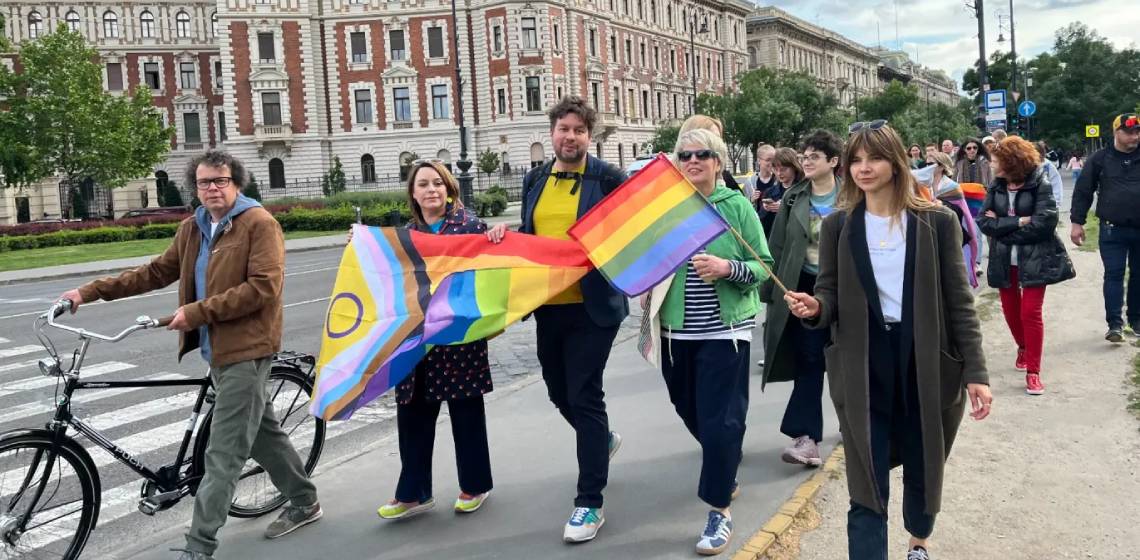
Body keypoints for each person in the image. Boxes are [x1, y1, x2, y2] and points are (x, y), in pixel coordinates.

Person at [60, 151, 321, 560]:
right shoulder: (193, 227)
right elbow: (154, 273)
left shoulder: (259, 224)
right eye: (204, 183)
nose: (212, 189)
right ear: (195, 187)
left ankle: (199, 546)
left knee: (223, 452)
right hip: (215, 349)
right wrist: (88, 292)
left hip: (248, 350)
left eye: (220, 181)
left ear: (237, 183)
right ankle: (305, 501)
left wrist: (195, 313)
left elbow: (262, 288)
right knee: (261, 435)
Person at [784, 121, 992, 560]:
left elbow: (959, 303)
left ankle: (919, 539)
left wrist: (976, 372)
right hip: (862, 360)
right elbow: (829, 293)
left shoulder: (935, 222)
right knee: (866, 468)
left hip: (926, 358)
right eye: (856, 159)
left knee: (923, 458)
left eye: (874, 158)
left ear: (895, 162)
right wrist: (816, 309)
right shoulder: (839, 225)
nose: (863, 168)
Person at [485, 96, 628, 543]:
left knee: (584, 395)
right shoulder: (536, 178)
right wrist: (506, 234)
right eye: (563, 128)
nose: (570, 137)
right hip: (548, 306)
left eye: (579, 130)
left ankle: (590, 502)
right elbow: (532, 235)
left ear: (590, 135)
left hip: (593, 307)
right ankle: (601, 441)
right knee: (557, 390)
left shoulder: (607, 177)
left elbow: (629, 232)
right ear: (553, 132)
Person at [648, 128, 772, 556]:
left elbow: (764, 266)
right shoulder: (667, 208)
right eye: (685, 154)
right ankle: (725, 462)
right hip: (675, 331)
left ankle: (719, 509)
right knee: (690, 410)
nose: (693, 160)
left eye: (703, 154)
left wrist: (727, 268)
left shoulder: (736, 206)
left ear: (718, 162)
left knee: (721, 422)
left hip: (726, 331)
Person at [374, 161, 495, 521]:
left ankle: (475, 485)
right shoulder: (406, 235)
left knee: (466, 413)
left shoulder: (470, 227)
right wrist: (363, 245)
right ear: (413, 193)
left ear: (449, 188)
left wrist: (497, 237)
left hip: (458, 336)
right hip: (415, 339)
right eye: (423, 184)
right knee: (412, 414)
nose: (432, 190)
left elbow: (491, 269)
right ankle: (413, 492)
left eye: (438, 183)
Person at [760, 129, 842, 468]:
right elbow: (777, 246)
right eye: (804, 156)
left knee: (850, 361)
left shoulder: (853, 196)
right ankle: (806, 438)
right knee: (810, 359)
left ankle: (860, 422)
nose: (806, 161)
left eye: (814, 157)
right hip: (805, 286)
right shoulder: (795, 197)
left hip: (847, 288)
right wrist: (770, 294)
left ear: (833, 161)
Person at [977, 136, 1075, 395]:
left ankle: (1034, 371)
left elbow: (1044, 225)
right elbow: (983, 223)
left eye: (996, 161)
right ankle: (1022, 346)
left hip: (1034, 258)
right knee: (1011, 311)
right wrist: (1019, 222)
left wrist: (1002, 227)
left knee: (1030, 313)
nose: (992, 165)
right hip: (1003, 259)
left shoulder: (1039, 184)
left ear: (1012, 161)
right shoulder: (996, 187)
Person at [1070, 113, 1140, 342]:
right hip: (1112, 229)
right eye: (1129, 132)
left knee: (1139, 275)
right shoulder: (1100, 159)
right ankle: (1115, 324)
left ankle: (1136, 320)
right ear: (1116, 132)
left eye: (1137, 132)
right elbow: (1083, 191)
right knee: (1114, 274)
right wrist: (1076, 222)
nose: (1134, 136)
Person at [922, 152, 980, 288]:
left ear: (942, 166)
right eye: (926, 164)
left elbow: (962, 213)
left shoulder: (952, 187)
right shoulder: (921, 186)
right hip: (930, 236)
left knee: (956, 280)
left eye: (931, 164)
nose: (927, 167)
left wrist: (942, 205)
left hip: (953, 236)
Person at [680, 114, 743, 194]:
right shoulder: (669, 193)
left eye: (718, 138)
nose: (693, 160)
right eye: (710, 137)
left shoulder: (732, 192)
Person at [758, 147, 804, 237]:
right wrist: (765, 209)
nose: (779, 173)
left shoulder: (804, 190)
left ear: (794, 167)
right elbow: (760, 223)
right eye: (775, 169)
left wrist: (784, 208)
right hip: (774, 241)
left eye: (783, 169)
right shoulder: (769, 192)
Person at [747, 144, 778, 212]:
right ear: (759, 161)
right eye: (768, 160)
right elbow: (743, 206)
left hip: (775, 221)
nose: (771, 163)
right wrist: (751, 200)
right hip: (757, 221)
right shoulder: (750, 182)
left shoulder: (779, 179)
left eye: (773, 160)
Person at [1034, 141, 1065, 207]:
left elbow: (1056, 183)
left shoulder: (1047, 165)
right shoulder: (1024, 165)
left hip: (1046, 204)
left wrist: (1056, 202)